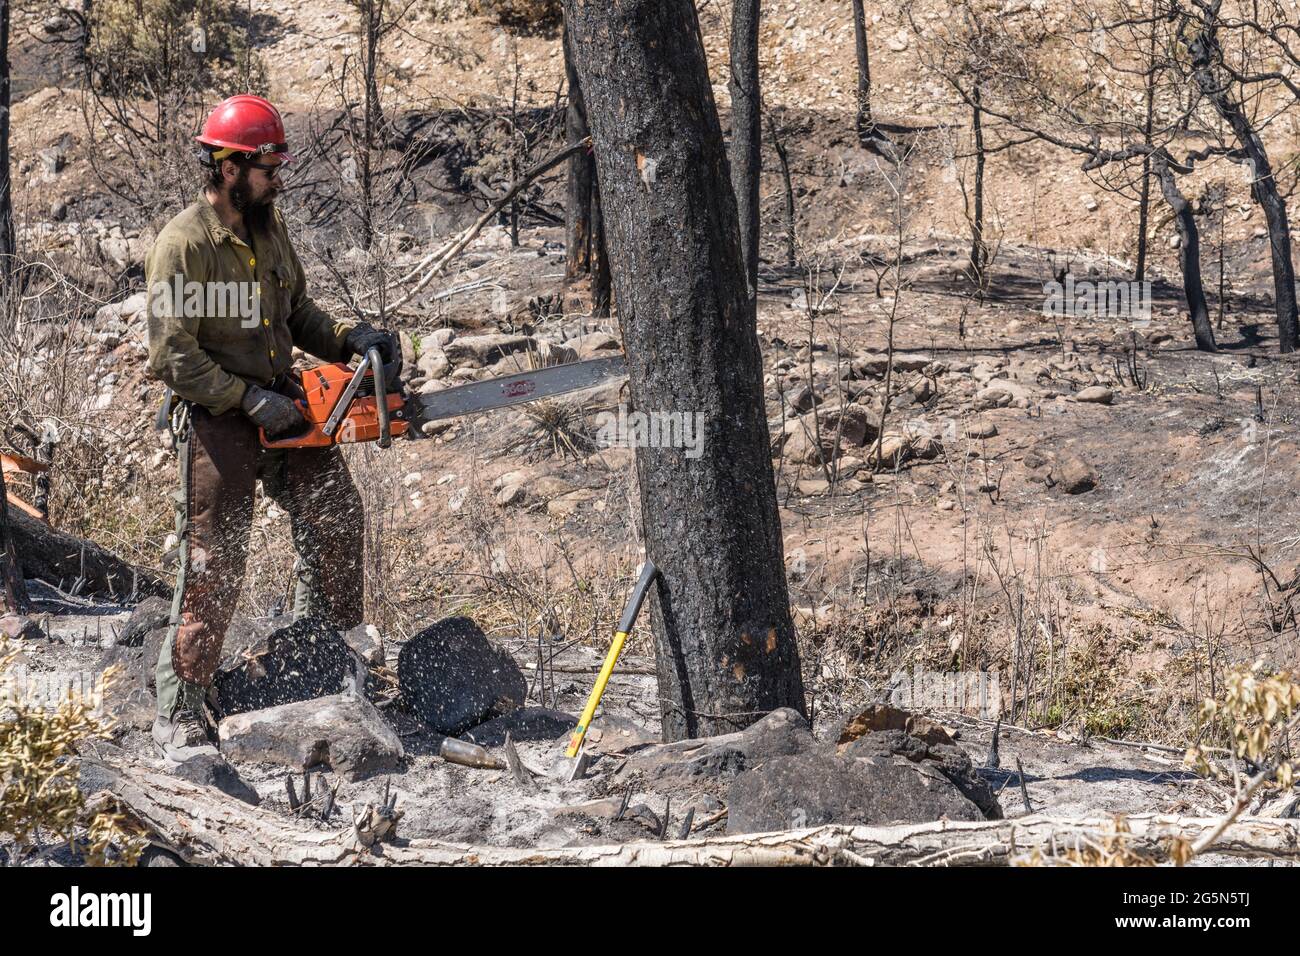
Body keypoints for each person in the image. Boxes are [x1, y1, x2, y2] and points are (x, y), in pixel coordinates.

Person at [144, 94, 400, 760]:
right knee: (214, 559)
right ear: (228, 167)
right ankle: (181, 709)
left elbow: (299, 313)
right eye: (266, 165)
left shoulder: (267, 227)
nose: (277, 176)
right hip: (218, 413)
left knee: (337, 517)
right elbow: (173, 355)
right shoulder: (184, 245)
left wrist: (351, 339)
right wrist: (246, 401)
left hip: (286, 404)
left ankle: (327, 664)